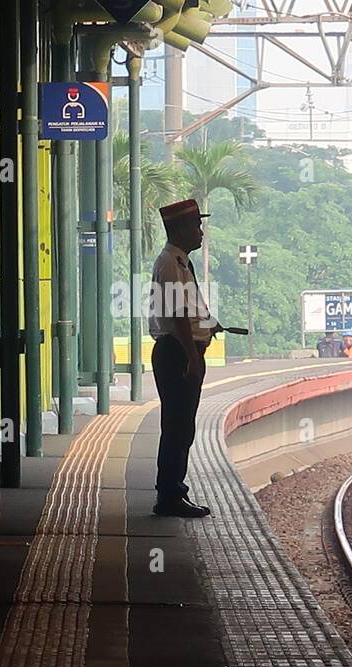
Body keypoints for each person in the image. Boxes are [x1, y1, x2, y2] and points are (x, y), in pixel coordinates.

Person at [148, 198, 216, 518]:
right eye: (196, 225)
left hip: (180, 351)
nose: (201, 232)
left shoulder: (179, 263)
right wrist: (193, 357)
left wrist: (208, 326)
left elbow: (187, 312)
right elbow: (176, 316)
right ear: (179, 228)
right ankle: (170, 495)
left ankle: (173, 490)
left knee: (181, 426)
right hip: (177, 354)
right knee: (177, 426)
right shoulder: (171, 264)